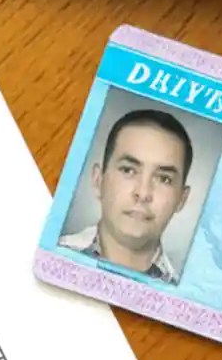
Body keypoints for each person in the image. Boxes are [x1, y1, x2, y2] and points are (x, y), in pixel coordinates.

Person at [60, 109, 193, 283]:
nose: (143, 193)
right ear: (98, 180)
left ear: (181, 200)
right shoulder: (58, 252)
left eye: (164, 179)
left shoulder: (182, 298)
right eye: (128, 170)